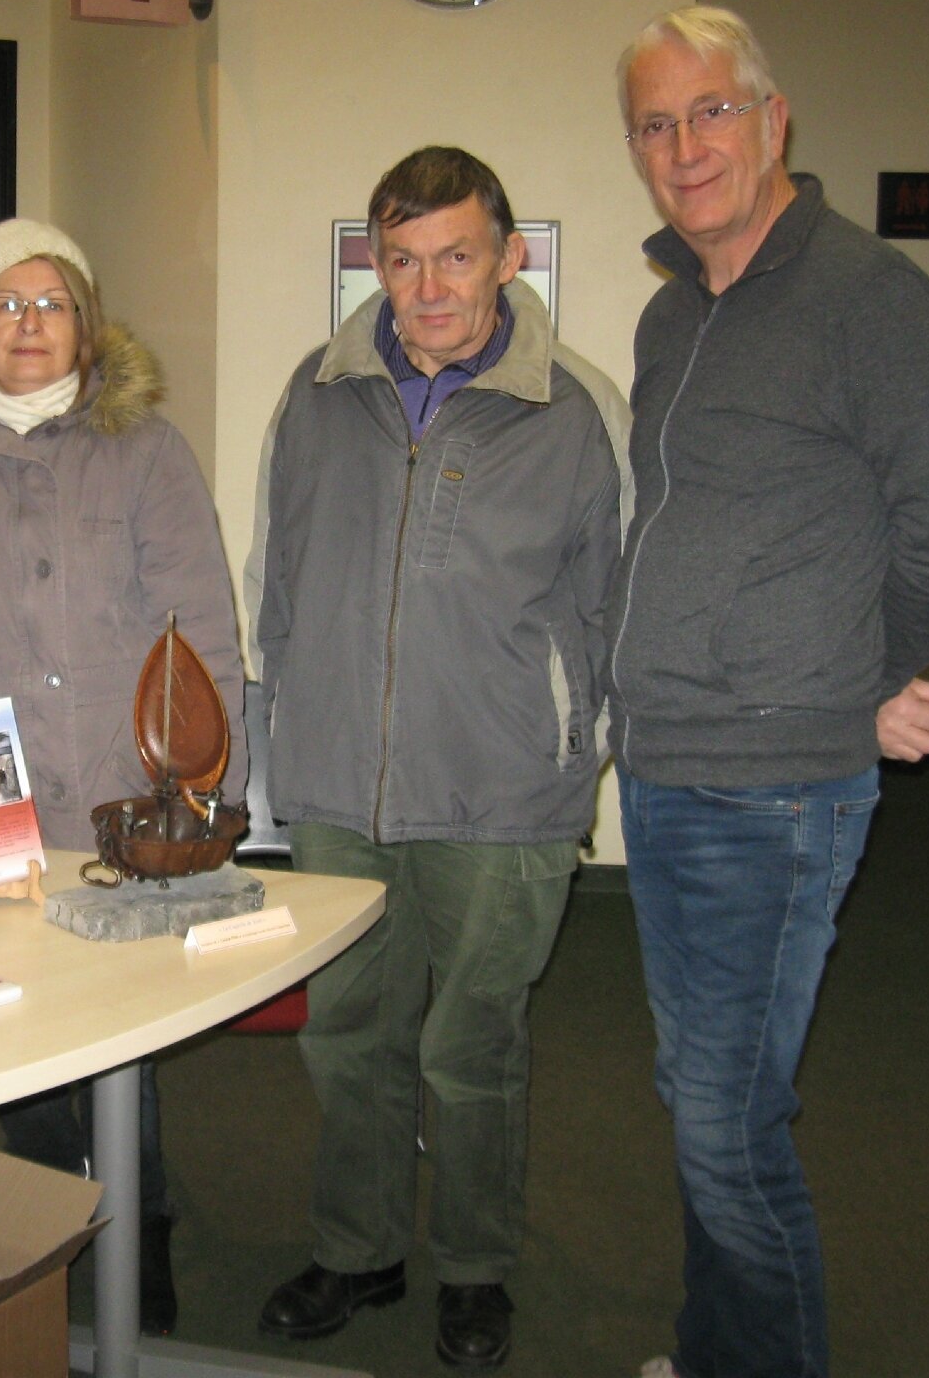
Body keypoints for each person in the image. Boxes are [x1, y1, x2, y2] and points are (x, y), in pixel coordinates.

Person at [608, 7, 929, 1378]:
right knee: (701, 1100)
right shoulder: (671, 315)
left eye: (711, 110)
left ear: (776, 122)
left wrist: (857, 681)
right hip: (661, 767)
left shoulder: (872, 300)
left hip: (774, 787)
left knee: (727, 1126)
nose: (684, 145)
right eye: (655, 124)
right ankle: (718, 1355)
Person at [251, 147, 628, 1372]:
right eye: (400, 260)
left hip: (503, 790)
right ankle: (358, 1249)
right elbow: (277, 586)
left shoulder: (574, 411)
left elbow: (617, 611)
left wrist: (575, 758)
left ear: (508, 257)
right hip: (337, 787)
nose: (426, 287)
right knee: (347, 1030)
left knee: (472, 1045)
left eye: (454, 256)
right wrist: (279, 748)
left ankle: (473, 1268)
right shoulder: (314, 394)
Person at [0, 218, 245, 1335]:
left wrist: (205, 788)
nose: (27, 324)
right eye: (3, 304)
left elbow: (200, 631)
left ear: (86, 324)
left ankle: (139, 1231)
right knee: (13, 1041)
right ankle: (39, 1228)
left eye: (50, 302)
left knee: (123, 1052)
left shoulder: (149, 452)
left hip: (123, 806)